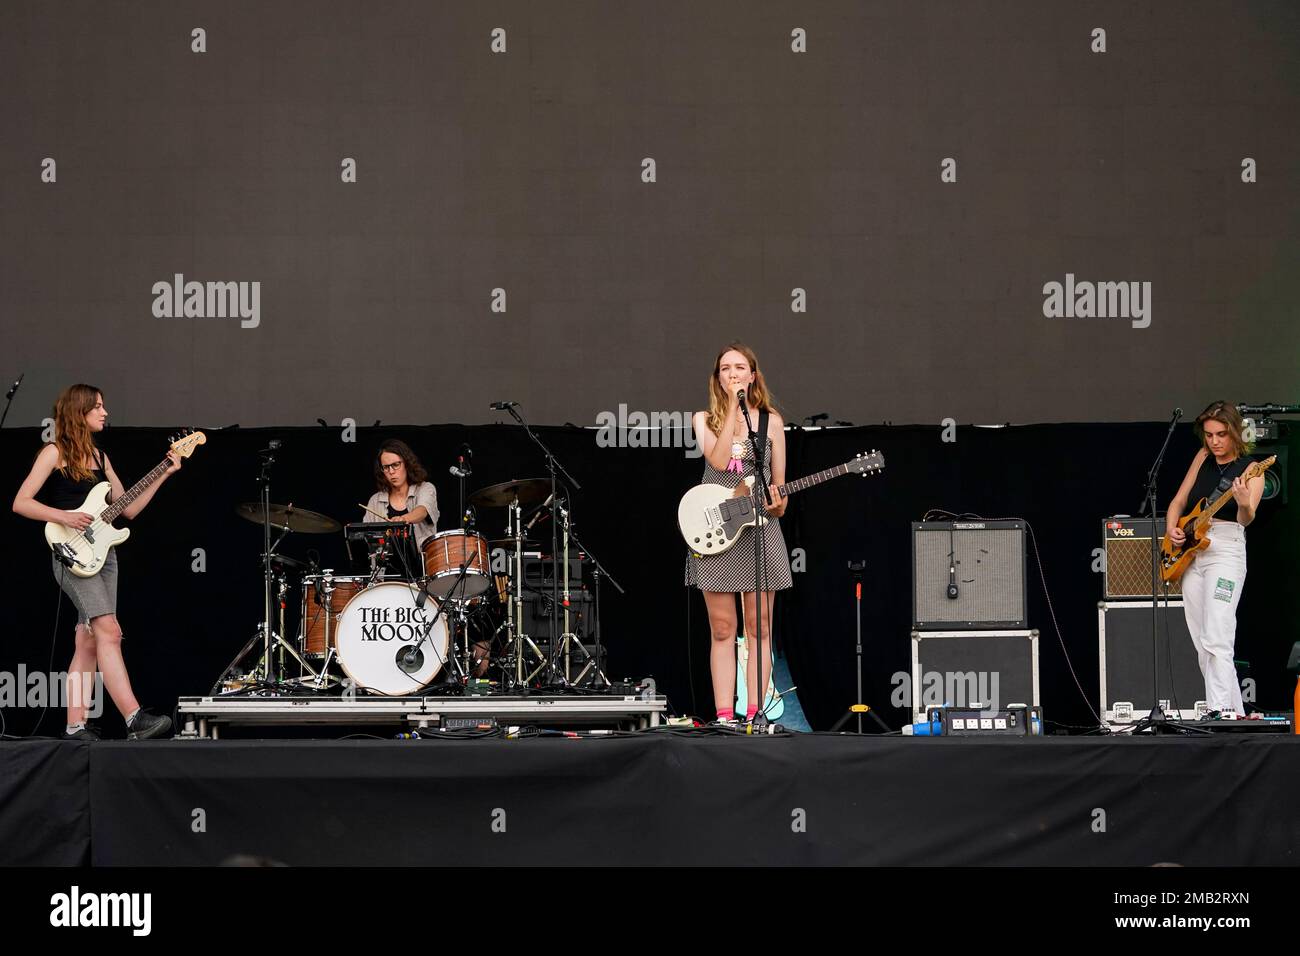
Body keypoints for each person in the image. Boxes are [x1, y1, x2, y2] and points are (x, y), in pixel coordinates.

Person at [11, 384, 180, 740]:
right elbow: (21, 502)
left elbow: (128, 507)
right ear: (80, 411)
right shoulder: (53, 453)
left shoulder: (102, 459)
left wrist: (165, 470)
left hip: (105, 555)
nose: (106, 413)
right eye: (99, 407)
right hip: (71, 553)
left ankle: (75, 726)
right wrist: (65, 516)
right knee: (110, 632)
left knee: (88, 640)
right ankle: (134, 718)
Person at [686, 343, 792, 723]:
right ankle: (724, 715)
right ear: (719, 379)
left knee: (759, 628)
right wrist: (732, 406)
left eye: (740, 367)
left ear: (752, 375)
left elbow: (779, 490)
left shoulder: (771, 422)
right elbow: (716, 459)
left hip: (758, 532)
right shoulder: (704, 419)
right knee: (722, 628)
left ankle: (755, 713)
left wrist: (778, 500)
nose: (733, 373)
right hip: (717, 530)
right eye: (726, 369)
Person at [1165, 400, 1264, 717]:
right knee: (1201, 637)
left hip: (1225, 548)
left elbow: (1247, 518)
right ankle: (1233, 711)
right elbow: (1179, 500)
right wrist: (1171, 530)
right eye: (1208, 435)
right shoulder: (1203, 456)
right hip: (1193, 550)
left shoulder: (1252, 470)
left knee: (1217, 631)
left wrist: (1244, 502)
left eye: (1221, 434)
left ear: (1235, 432)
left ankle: (1219, 707)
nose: (1214, 442)